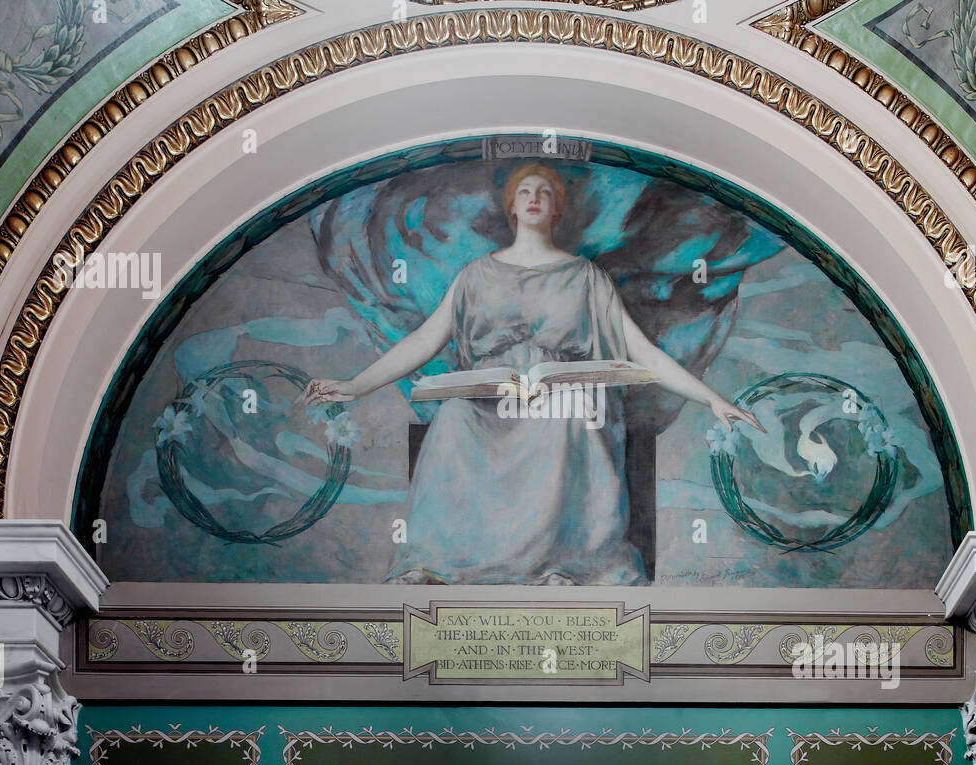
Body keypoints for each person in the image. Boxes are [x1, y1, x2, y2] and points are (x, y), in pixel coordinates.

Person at [303, 163, 763, 584]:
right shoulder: (476, 275)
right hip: (487, 398)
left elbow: (642, 353)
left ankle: (560, 562)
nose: (535, 196)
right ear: (512, 206)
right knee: (454, 420)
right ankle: (435, 562)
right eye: (525, 190)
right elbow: (425, 341)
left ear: (557, 208)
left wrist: (711, 398)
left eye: (546, 190)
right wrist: (354, 385)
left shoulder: (585, 276)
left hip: (566, 398)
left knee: (563, 418)